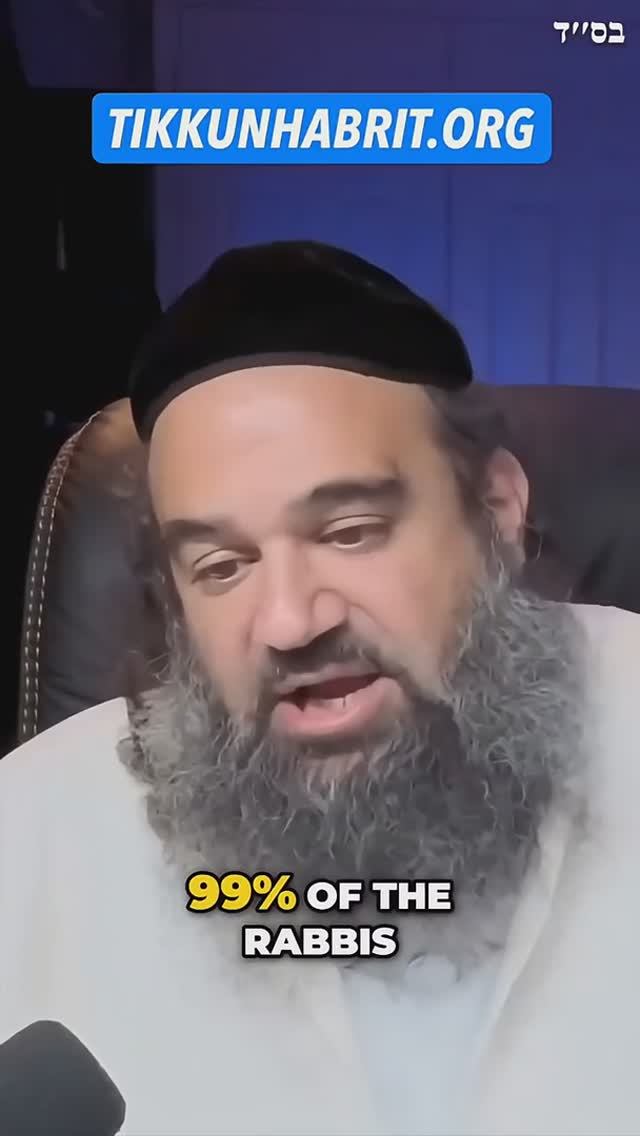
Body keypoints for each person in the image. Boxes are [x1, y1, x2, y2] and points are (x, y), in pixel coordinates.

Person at [0, 240, 639, 1136]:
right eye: (222, 566)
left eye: (349, 531)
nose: (290, 622)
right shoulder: (40, 823)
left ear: (495, 510)